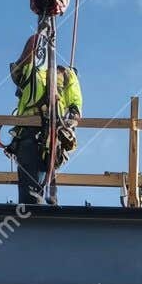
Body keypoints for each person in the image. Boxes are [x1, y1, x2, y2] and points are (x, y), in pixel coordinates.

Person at [7, 30, 83, 205]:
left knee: (48, 182)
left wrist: (67, 124)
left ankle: (47, 214)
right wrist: (36, 37)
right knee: (30, 192)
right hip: (27, 132)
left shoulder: (66, 74)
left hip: (53, 134)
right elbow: (18, 69)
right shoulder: (29, 71)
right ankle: (32, 216)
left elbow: (75, 105)